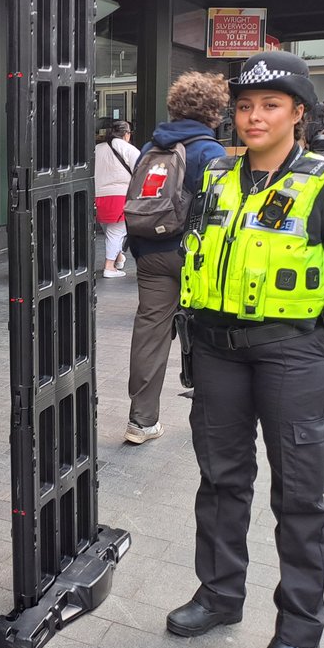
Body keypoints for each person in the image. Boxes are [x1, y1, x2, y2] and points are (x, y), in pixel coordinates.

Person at [170, 50, 324, 648]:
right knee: (221, 480)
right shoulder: (217, 180)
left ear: (298, 112)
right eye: (244, 105)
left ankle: (298, 629)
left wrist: (318, 346)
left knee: (298, 495)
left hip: (291, 355)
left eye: (269, 104)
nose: (254, 116)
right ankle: (218, 595)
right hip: (215, 350)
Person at [124, 72, 227, 444]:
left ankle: (141, 420)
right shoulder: (209, 151)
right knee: (209, 330)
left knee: (150, 333)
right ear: (214, 111)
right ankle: (211, 413)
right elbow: (220, 214)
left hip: (150, 253)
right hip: (193, 258)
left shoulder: (150, 148)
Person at [94, 120, 139, 279]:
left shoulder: (97, 149)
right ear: (126, 134)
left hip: (98, 195)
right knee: (117, 232)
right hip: (121, 195)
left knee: (109, 230)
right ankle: (109, 266)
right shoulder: (129, 149)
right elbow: (139, 172)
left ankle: (118, 258)